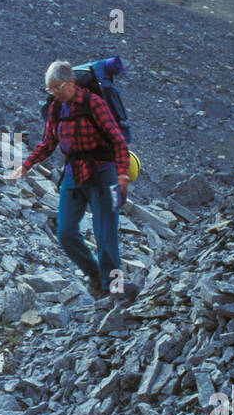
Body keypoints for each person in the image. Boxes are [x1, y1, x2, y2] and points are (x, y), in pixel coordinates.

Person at [8, 60, 140, 302]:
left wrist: (122, 175)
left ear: (70, 83)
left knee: (105, 233)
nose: (54, 93)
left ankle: (115, 287)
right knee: (66, 233)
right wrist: (26, 165)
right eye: (50, 90)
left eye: (57, 87)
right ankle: (96, 277)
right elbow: (48, 144)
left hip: (104, 173)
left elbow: (118, 141)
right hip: (74, 173)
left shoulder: (94, 104)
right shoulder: (56, 110)